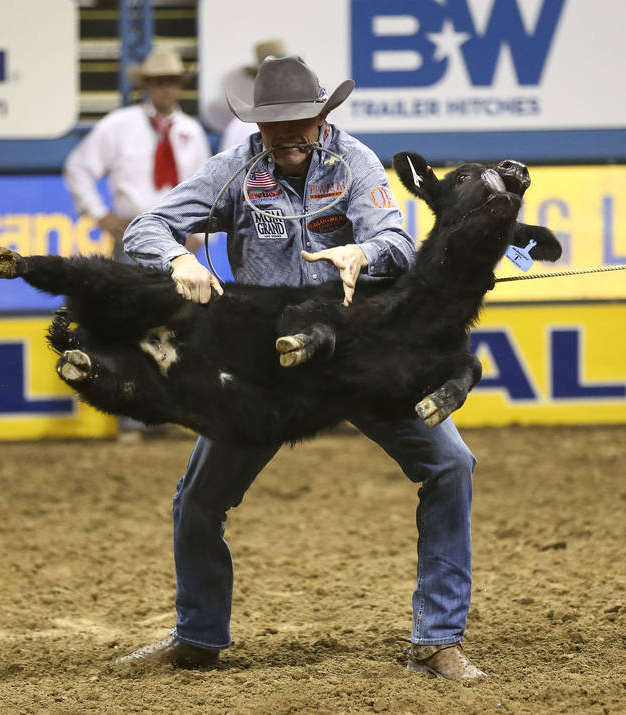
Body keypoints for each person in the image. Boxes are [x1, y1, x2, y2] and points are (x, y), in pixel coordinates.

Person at [114, 55, 486, 681]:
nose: (288, 133)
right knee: (199, 500)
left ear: (322, 114)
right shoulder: (234, 170)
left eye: (299, 119)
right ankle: (199, 636)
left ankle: (438, 639)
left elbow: (396, 241)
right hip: (268, 362)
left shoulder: (357, 162)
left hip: (358, 351)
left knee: (450, 464)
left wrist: (361, 252)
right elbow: (144, 228)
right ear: (258, 123)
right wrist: (177, 258)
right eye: (274, 123)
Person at [63, 45, 211, 262]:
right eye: (160, 82)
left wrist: (200, 235)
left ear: (180, 85)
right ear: (147, 85)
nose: (167, 89)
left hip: (180, 234)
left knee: (175, 296)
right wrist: (99, 214)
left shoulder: (192, 131)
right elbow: (78, 167)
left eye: (172, 81)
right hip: (133, 233)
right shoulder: (119, 125)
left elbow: (208, 187)